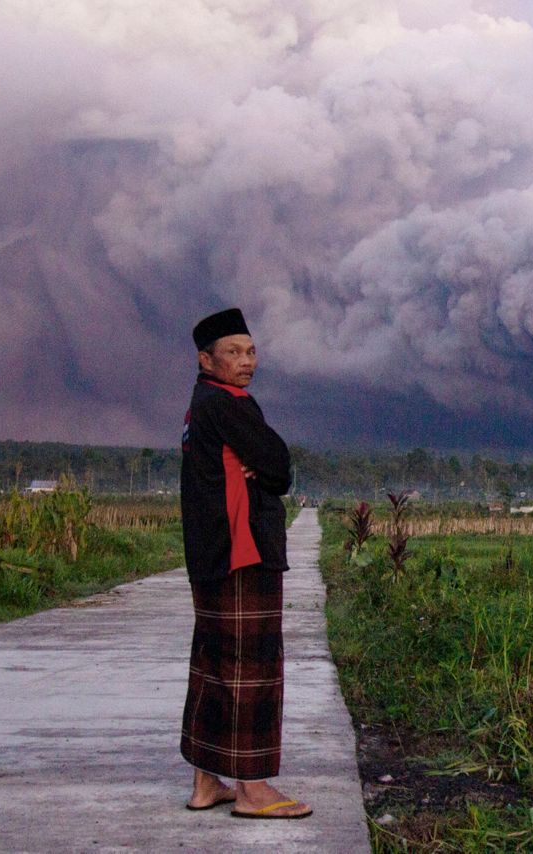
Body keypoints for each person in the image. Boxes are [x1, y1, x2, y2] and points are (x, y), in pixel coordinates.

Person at [178, 307, 311, 819]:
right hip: (242, 555)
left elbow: (268, 465)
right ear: (205, 358)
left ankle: (206, 783)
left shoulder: (198, 407)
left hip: (211, 558)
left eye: (251, 351)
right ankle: (253, 790)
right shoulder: (230, 405)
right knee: (251, 671)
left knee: (213, 667)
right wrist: (268, 463)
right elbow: (279, 467)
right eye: (232, 352)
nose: (246, 361)